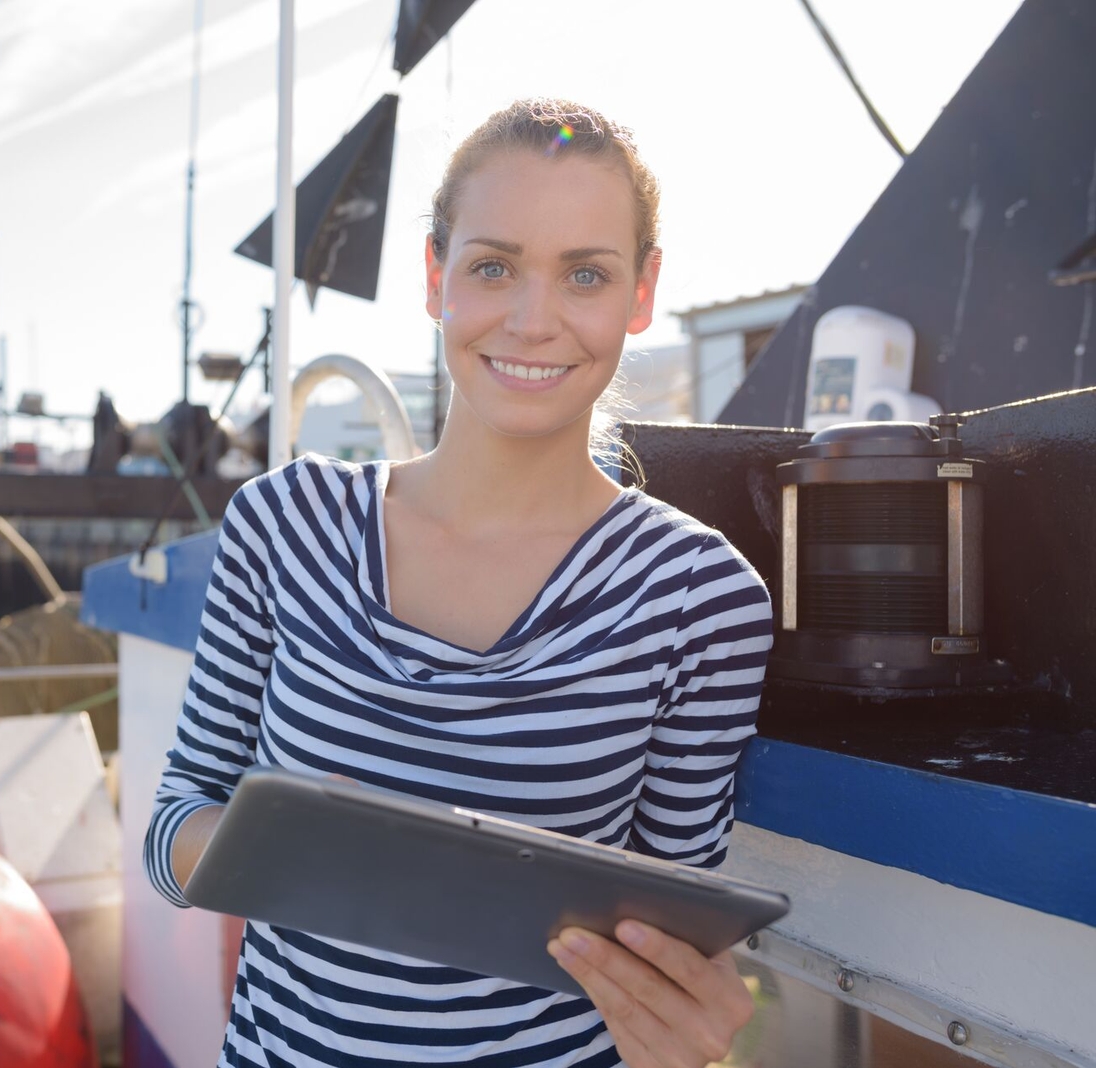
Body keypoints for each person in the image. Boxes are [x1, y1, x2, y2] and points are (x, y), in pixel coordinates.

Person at [144, 98, 774, 1068]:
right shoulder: (282, 524)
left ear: (640, 295)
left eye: (586, 275)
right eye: (492, 267)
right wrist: (293, 851)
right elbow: (173, 822)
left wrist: (683, 1034)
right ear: (435, 277)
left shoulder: (701, 599)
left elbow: (658, 927)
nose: (533, 319)